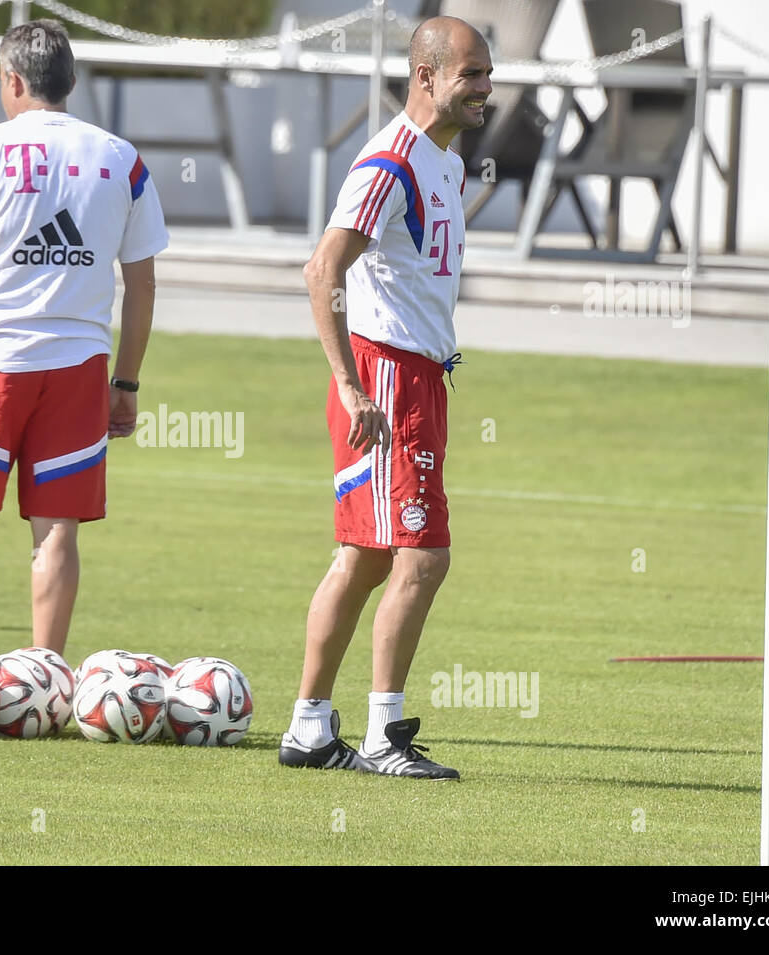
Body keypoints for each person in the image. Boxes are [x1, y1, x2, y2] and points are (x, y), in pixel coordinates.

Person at [278, 16, 492, 778]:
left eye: (487, 75)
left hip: (420, 376)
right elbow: (322, 270)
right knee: (423, 556)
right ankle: (383, 737)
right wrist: (348, 381)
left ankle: (309, 726)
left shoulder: (447, 161)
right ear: (427, 76)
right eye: (472, 75)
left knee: (367, 556)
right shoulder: (388, 162)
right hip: (386, 377)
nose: (486, 90)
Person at [0, 19, 167, 661]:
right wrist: (126, 382)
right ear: (71, 82)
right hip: (80, 368)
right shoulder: (121, 159)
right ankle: (45, 676)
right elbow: (142, 283)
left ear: (12, 80)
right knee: (57, 529)